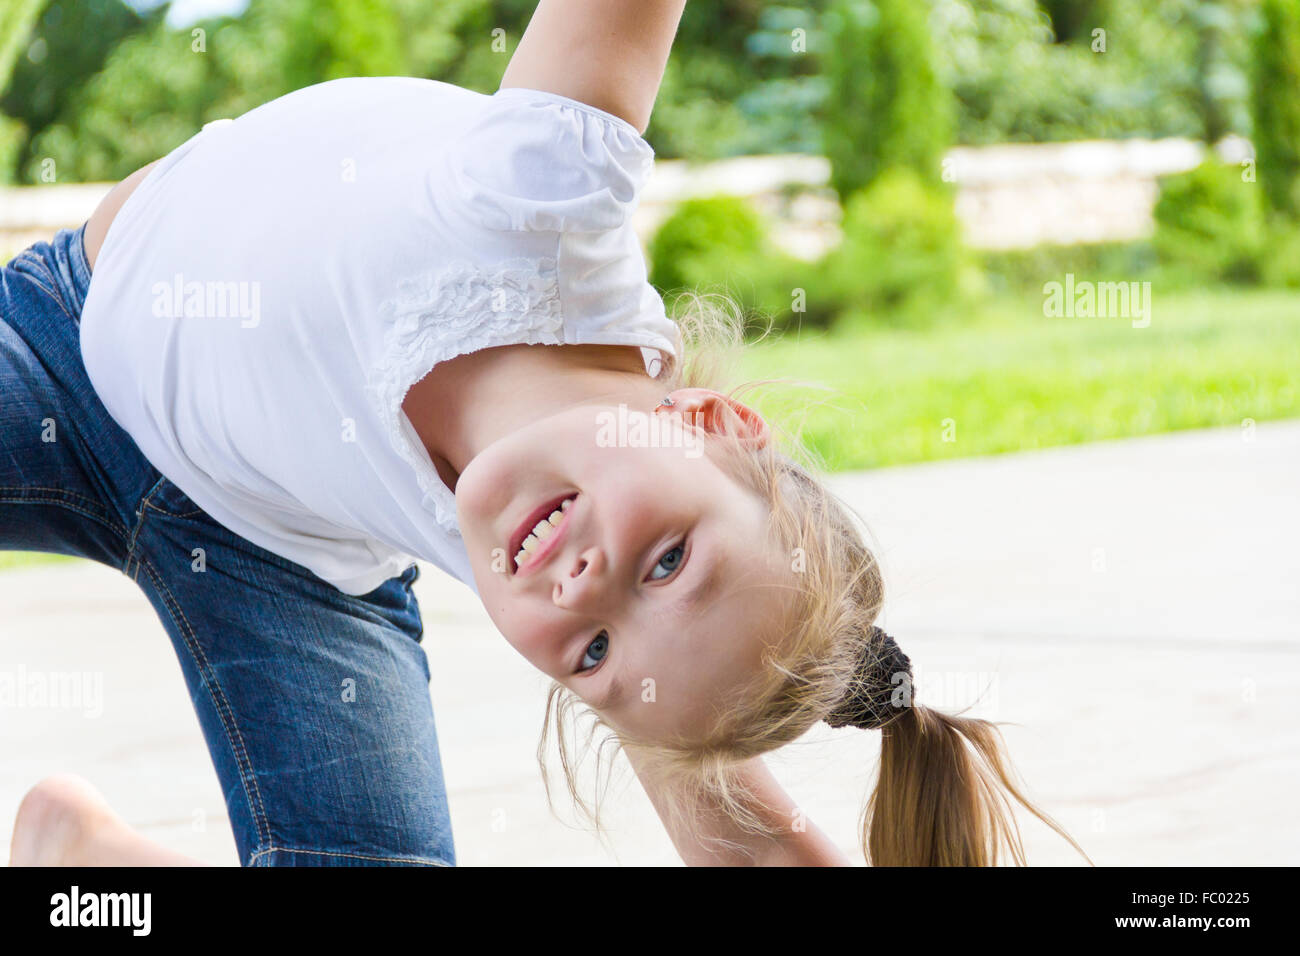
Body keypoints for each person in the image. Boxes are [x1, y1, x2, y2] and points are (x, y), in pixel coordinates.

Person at [2, 0, 1089, 866]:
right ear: (711, 422)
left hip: (282, 561)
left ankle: (89, 861)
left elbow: (737, 841)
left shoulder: (558, 540)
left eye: (596, 654)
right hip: (69, 348)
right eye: (668, 559)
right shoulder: (546, 199)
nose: (581, 590)